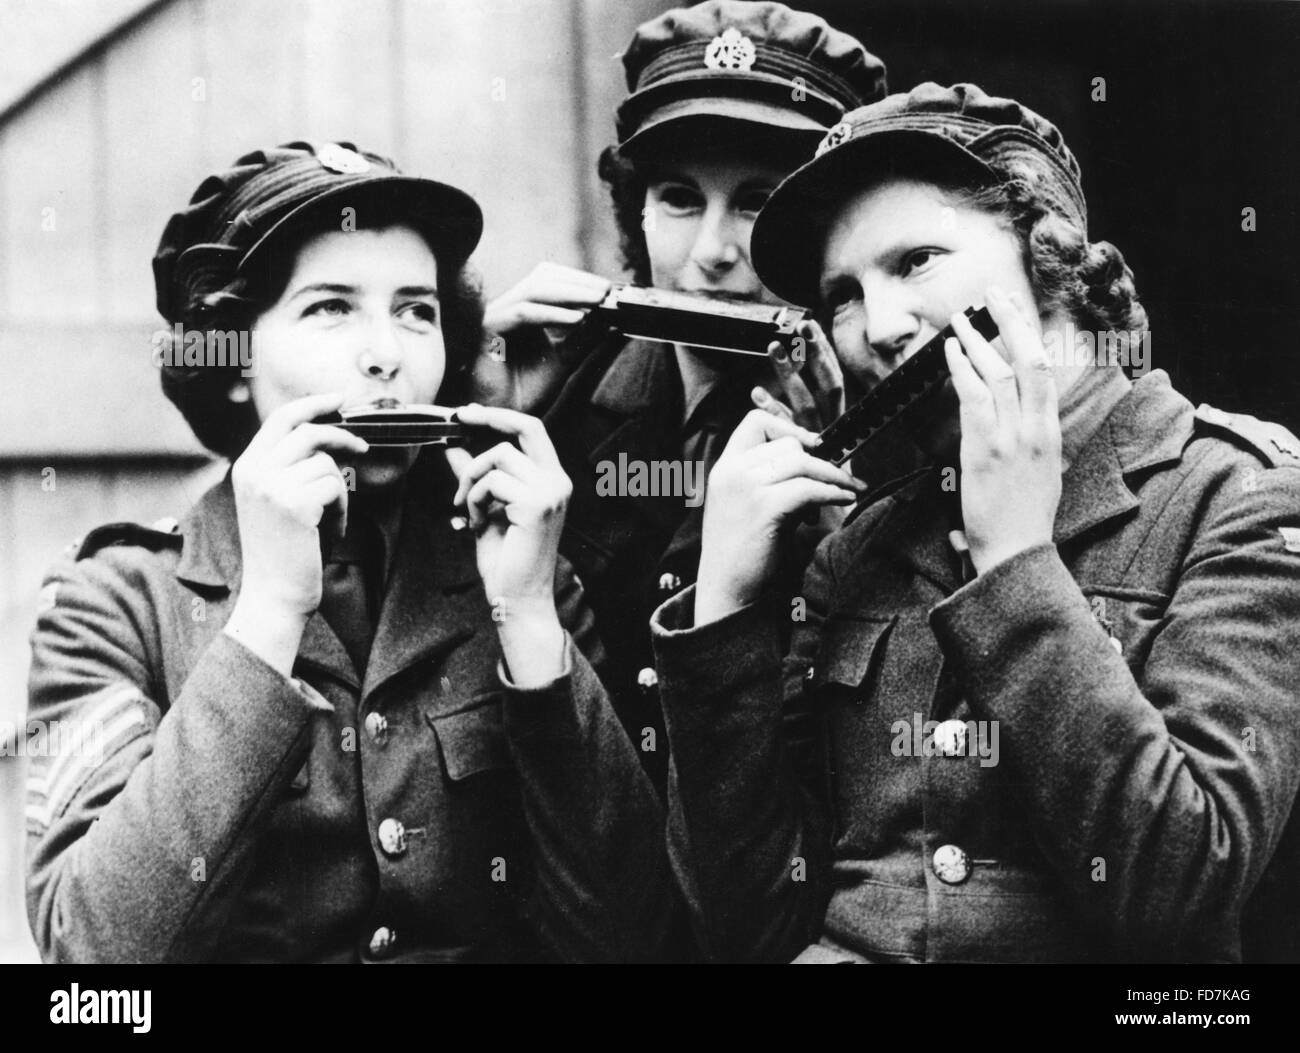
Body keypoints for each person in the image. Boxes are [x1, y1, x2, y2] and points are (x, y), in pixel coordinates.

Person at [649, 83, 1300, 962]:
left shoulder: (1236, 496)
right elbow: (746, 926)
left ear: (1049, 258)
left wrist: (1018, 561)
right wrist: (721, 611)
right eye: (842, 294)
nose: (876, 327)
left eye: (915, 261)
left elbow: (1179, 889)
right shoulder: (860, 542)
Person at [24, 141, 671, 963]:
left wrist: (533, 620)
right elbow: (93, 962)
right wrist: (264, 620)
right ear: (230, 360)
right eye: (331, 307)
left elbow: (633, 939)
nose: (387, 354)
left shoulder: (516, 564)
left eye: (416, 310)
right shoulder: (113, 603)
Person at [471, 0, 887, 795]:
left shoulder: (900, 422)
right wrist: (478, 400)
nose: (710, 254)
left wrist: (842, 494)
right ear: (638, 213)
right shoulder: (564, 391)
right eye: (680, 198)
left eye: (760, 202)